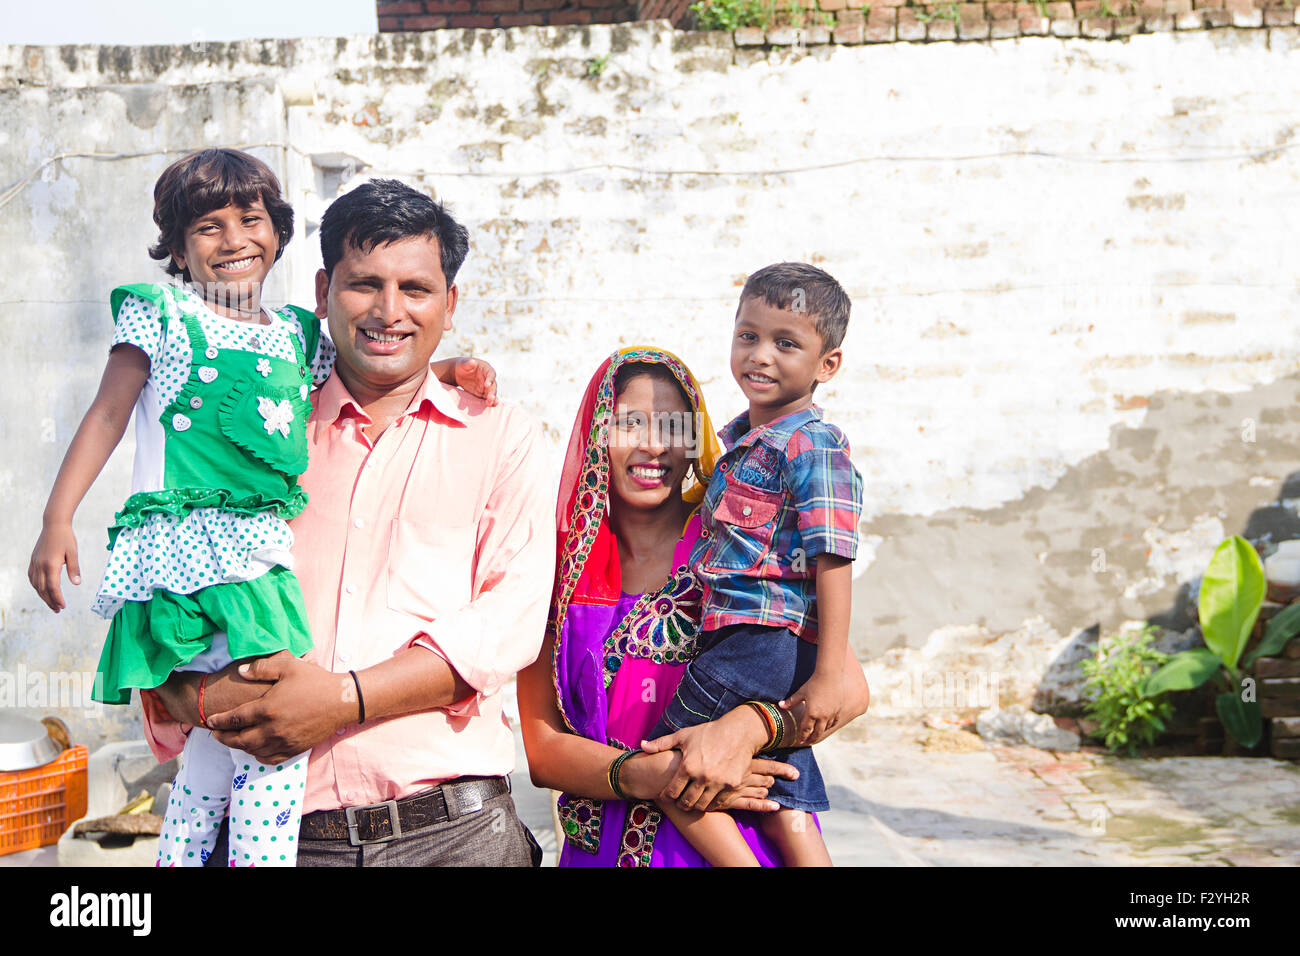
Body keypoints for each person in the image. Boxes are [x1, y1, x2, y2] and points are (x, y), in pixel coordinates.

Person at [26, 151, 496, 867]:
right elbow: (106, 414)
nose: (233, 239)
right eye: (207, 227)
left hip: (255, 554)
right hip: (189, 558)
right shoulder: (162, 316)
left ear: (277, 232)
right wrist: (57, 519)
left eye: (250, 219)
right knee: (275, 748)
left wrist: (449, 371)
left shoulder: (297, 336)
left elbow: (369, 365)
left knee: (220, 748)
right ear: (177, 249)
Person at [134, 177, 552, 866]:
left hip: (454, 836)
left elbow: (505, 623)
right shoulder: (251, 429)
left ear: (449, 305)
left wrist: (339, 701)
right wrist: (203, 699)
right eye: (365, 285)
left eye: (415, 289)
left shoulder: (500, 437)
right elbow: (166, 582)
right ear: (324, 292)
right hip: (270, 839)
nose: (389, 312)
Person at [516, 346, 868, 866]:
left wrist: (745, 730)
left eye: (675, 426)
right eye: (630, 422)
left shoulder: (734, 537)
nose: (654, 446)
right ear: (597, 434)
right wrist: (657, 774)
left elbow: (849, 689)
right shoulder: (556, 566)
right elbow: (544, 750)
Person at [643, 263, 863, 866]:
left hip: (756, 642)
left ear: (828, 365)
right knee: (785, 783)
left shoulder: (812, 446)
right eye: (749, 336)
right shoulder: (739, 441)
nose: (760, 355)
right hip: (750, 641)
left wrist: (828, 676)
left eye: (786, 343)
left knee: (673, 767)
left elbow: (834, 555)